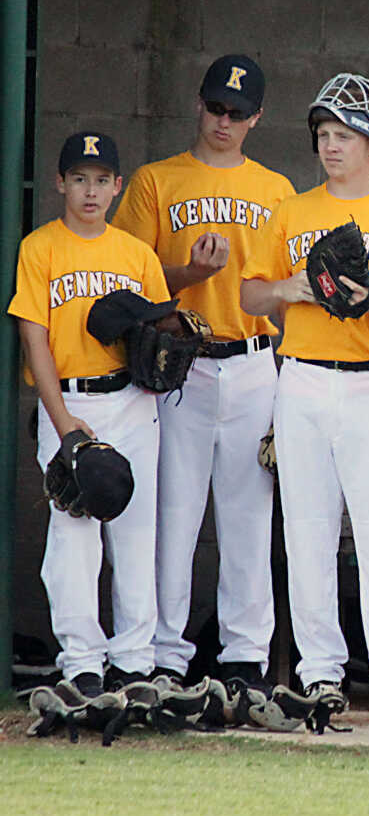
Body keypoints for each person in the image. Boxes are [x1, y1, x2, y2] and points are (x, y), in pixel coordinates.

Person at [240, 72, 369, 727]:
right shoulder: (292, 211)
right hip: (301, 378)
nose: (330, 147)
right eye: (324, 135)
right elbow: (247, 296)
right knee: (305, 536)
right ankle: (320, 675)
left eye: (344, 135)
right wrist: (287, 289)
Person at [112, 54, 294, 689]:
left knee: (249, 515)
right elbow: (125, 279)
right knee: (174, 516)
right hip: (178, 366)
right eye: (217, 107)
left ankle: (244, 659)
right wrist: (190, 275)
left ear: (257, 118)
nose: (224, 120)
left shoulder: (275, 190)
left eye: (238, 113)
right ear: (199, 103)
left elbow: (282, 289)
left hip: (251, 361)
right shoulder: (155, 181)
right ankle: (166, 656)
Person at [8, 132, 171, 697]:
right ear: (60, 183)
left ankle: (135, 661)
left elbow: (160, 333)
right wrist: (62, 424)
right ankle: (82, 661)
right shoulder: (41, 248)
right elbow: (35, 342)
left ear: (118, 186)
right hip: (69, 401)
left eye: (102, 179)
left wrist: (173, 342)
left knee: (135, 530)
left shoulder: (136, 254)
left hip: (131, 400)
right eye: (79, 178)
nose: (91, 191)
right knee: (74, 534)